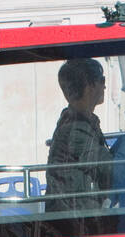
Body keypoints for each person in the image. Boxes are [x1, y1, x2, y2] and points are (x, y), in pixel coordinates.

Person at [45, 58, 114, 215]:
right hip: (76, 224)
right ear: (89, 86)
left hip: (79, 217)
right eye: (102, 79)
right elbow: (112, 171)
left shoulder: (80, 122)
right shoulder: (75, 130)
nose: (105, 85)